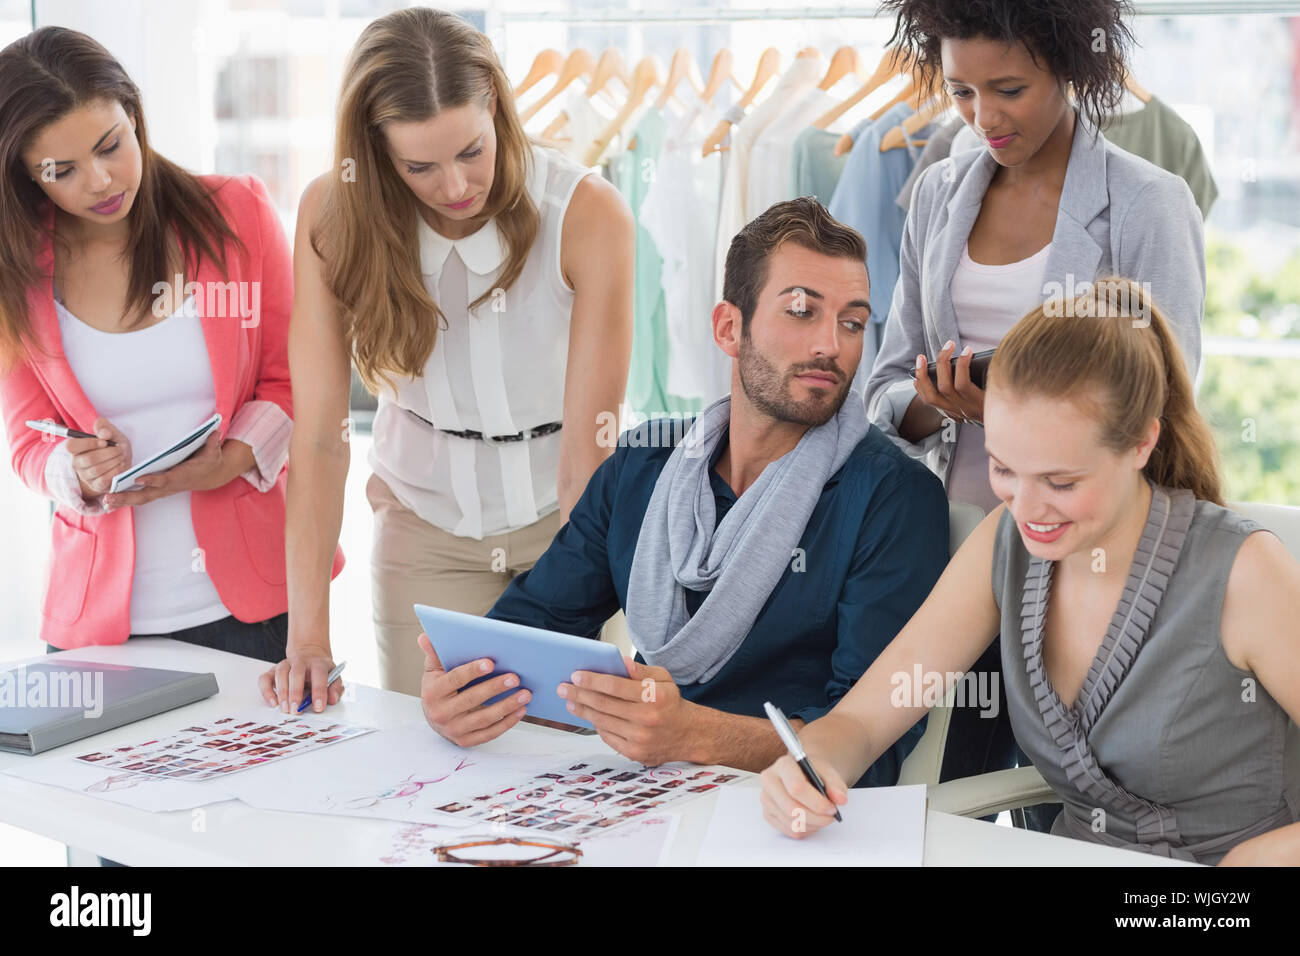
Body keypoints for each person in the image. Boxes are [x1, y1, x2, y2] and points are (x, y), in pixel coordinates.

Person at [759, 278, 1300, 866]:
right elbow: (863, 720)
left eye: (1061, 482)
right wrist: (810, 765)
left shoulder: (1244, 572)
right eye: (1004, 469)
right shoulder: (1005, 544)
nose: (1028, 509)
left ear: (1143, 441)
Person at [418, 198, 950, 779]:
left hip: (793, 823)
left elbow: (872, 744)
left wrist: (695, 735)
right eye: (801, 311)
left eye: (851, 322)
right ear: (729, 327)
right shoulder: (642, 465)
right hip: (647, 796)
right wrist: (464, 687)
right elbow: (529, 628)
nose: (832, 344)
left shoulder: (894, 498)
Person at [864, 0, 1208, 799]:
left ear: (1069, 65)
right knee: (949, 786)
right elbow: (885, 387)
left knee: (1088, 797)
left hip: (1090, 555)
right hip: (958, 549)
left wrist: (1020, 423)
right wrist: (938, 403)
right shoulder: (937, 195)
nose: (985, 117)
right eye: (961, 94)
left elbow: (1165, 408)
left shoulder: (1147, 204)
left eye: (1009, 89)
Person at [260, 7, 633, 711]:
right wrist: (306, 637)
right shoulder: (332, 216)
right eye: (419, 167)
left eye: (470, 152)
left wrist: (573, 608)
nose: (456, 187)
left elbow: (590, 449)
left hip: (566, 520)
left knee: (575, 762)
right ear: (375, 152)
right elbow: (317, 435)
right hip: (424, 529)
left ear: (493, 102)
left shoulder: (587, 214)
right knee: (438, 764)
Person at [0, 26, 340, 660]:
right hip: (97, 619)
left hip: (250, 604)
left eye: (111, 146)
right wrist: (72, 471)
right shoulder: (15, 269)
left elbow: (290, 378)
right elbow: (26, 441)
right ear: (25, 175)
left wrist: (231, 459)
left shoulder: (235, 213)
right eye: (62, 171)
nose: (100, 182)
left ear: (134, 115)